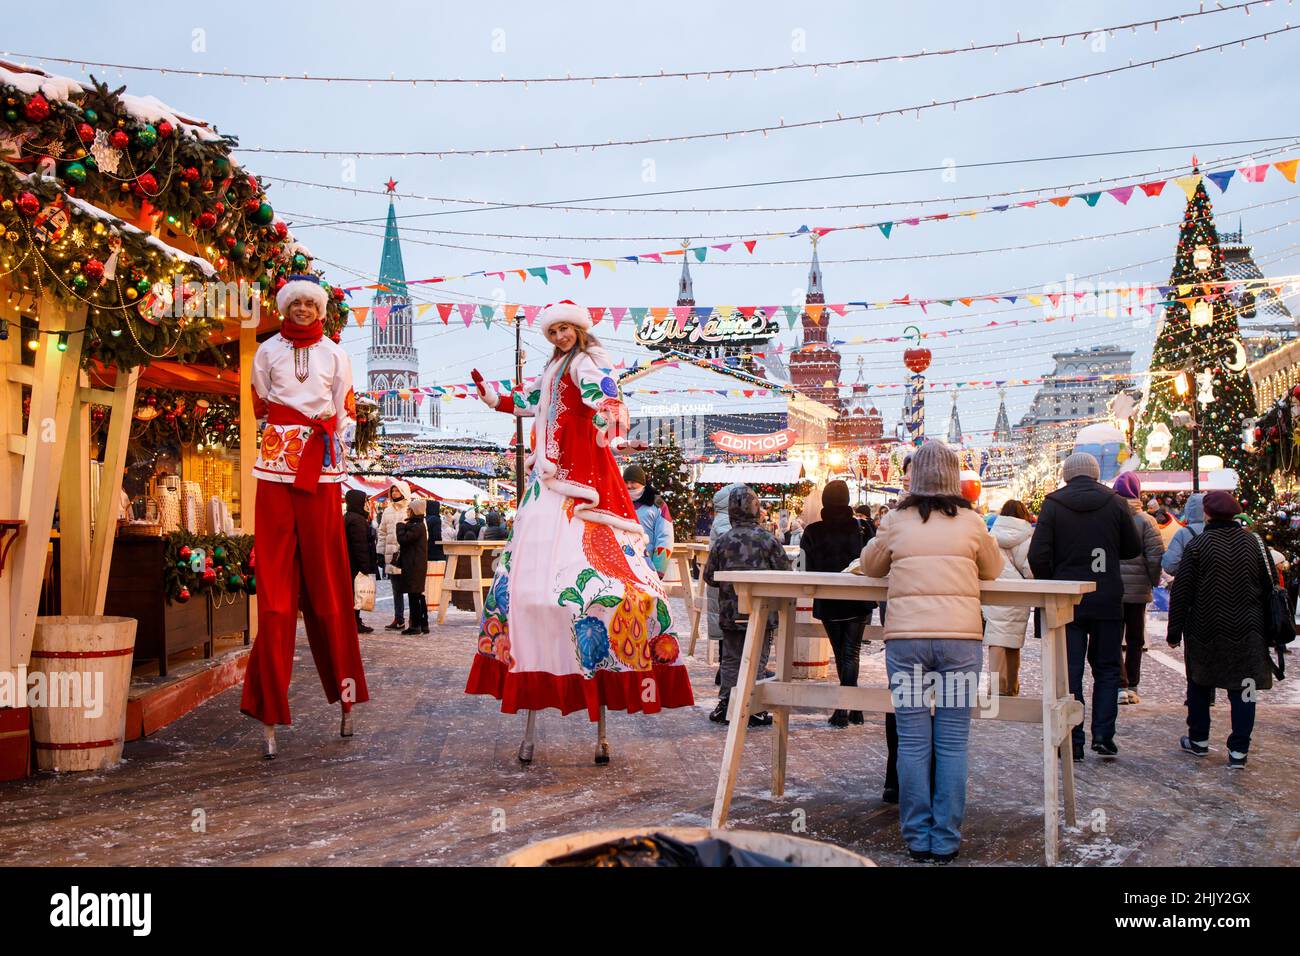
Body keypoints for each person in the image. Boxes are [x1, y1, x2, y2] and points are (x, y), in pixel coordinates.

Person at [467, 300, 693, 764]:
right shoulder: (553, 368)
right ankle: (539, 643)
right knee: (533, 559)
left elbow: (604, 393)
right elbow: (529, 403)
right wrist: (493, 397)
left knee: (584, 544)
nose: (560, 337)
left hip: (579, 469)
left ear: (579, 330)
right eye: (553, 332)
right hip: (550, 474)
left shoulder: (587, 363)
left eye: (566, 330)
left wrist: (607, 411)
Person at [240, 275, 369, 759]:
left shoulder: (336, 352)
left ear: (319, 310)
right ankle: (268, 706)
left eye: (309, 304)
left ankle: (347, 696)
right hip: (274, 464)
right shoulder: (267, 351)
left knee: (329, 585)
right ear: (285, 308)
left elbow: (342, 407)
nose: (301, 310)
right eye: (294, 303)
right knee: (273, 600)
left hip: (322, 466)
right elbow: (259, 402)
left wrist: (335, 446)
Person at [861, 442, 1004, 863]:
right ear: (954, 477)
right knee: (954, 741)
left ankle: (916, 835)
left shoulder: (896, 519)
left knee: (912, 740)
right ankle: (944, 838)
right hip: (959, 640)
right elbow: (992, 570)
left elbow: (871, 567)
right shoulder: (973, 522)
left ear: (914, 477)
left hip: (906, 642)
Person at [1028, 453, 1141, 762]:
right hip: (1106, 598)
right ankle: (1104, 736)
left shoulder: (1054, 503)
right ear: (1094, 474)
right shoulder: (1116, 502)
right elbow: (1133, 547)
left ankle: (1073, 740)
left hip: (1067, 600)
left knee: (1070, 671)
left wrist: (1052, 580)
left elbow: (1037, 554)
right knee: (1106, 669)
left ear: (1067, 474)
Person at [1167, 491, 1275, 768]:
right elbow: (1268, 584)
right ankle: (1239, 750)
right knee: (1244, 688)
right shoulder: (1253, 543)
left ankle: (1199, 740)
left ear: (1207, 514)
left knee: (1200, 683)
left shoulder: (1200, 544)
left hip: (1206, 626)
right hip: (1249, 628)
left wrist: (1174, 630)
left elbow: (1182, 591)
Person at [703, 485, 790, 726]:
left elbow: (709, 576)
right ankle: (754, 707)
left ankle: (727, 705)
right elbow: (785, 573)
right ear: (756, 509)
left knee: (731, 658)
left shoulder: (723, 541)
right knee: (758, 659)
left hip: (731, 612)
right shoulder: (768, 540)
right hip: (763, 613)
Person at [800, 480, 874, 728]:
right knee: (852, 652)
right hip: (858, 598)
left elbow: (806, 568)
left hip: (829, 599)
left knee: (840, 651)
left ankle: (845, 708)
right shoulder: (863, 527)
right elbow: (874, 562)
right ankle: (852, 708)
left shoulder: (812, 531)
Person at [1114, 472, 1164, 705]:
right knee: (1135, 638)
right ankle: (1132, 682)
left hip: (1112, 588)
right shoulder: (1147, 520)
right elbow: (1155, 557)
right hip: (1137, 589)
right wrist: (1152, 581)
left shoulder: (1109, 516)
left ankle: (1119, 684)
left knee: (1113, 637)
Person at [983, 499, 1034, 697]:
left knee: (996, 638)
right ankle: (1011, 686)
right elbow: (1029, 571)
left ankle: (995, 686)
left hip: (994, 593)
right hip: (1017, 595)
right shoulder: (1027, 538)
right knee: (1013, 641)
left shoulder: (990, 536)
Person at [623, 463, 674, 577]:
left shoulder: (657, 505)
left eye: (632, 482)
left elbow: (665, 537)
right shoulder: (618, 502)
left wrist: (658, 569)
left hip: (647, 565)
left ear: (642, 483)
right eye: (626, 482)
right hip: (622, 564)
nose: (629, 486)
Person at [377, 480, 412, 630]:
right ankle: (399, 619)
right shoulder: (387, 511)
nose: (394, 493)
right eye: (393, 491)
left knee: (411, 588)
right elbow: (382, 533)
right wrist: (379, 552)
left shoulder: (410, 509)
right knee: (396, 588)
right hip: (392, 556)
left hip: (407, 556)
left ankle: (414, 619)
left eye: (397, 491)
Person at [343, 489, 376, 635]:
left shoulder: (349, 517)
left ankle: (354, 621)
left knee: (351, 592)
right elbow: (360, 545)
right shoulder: (357, 520)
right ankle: (354, 623)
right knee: (356, 593)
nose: (366, 504)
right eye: (364, 501)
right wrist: (365, 566)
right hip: (355, 563)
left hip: (349, 562)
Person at [397, 498, 430, 635]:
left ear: (415, 511)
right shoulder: (417, 525)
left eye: (409, 509)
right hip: (415, 565)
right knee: (417, 595)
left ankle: (416, 625)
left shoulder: (417, 526)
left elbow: (403, 539)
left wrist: (399, 527)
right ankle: (423, 624)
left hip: (414, 566)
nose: (407, 511)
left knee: (414, 596)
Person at [1162, 492, 1205, 576]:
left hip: (1191, 584)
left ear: (1188, 510)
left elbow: (1169, 565)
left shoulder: (1183, 533)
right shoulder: (1218, 530)